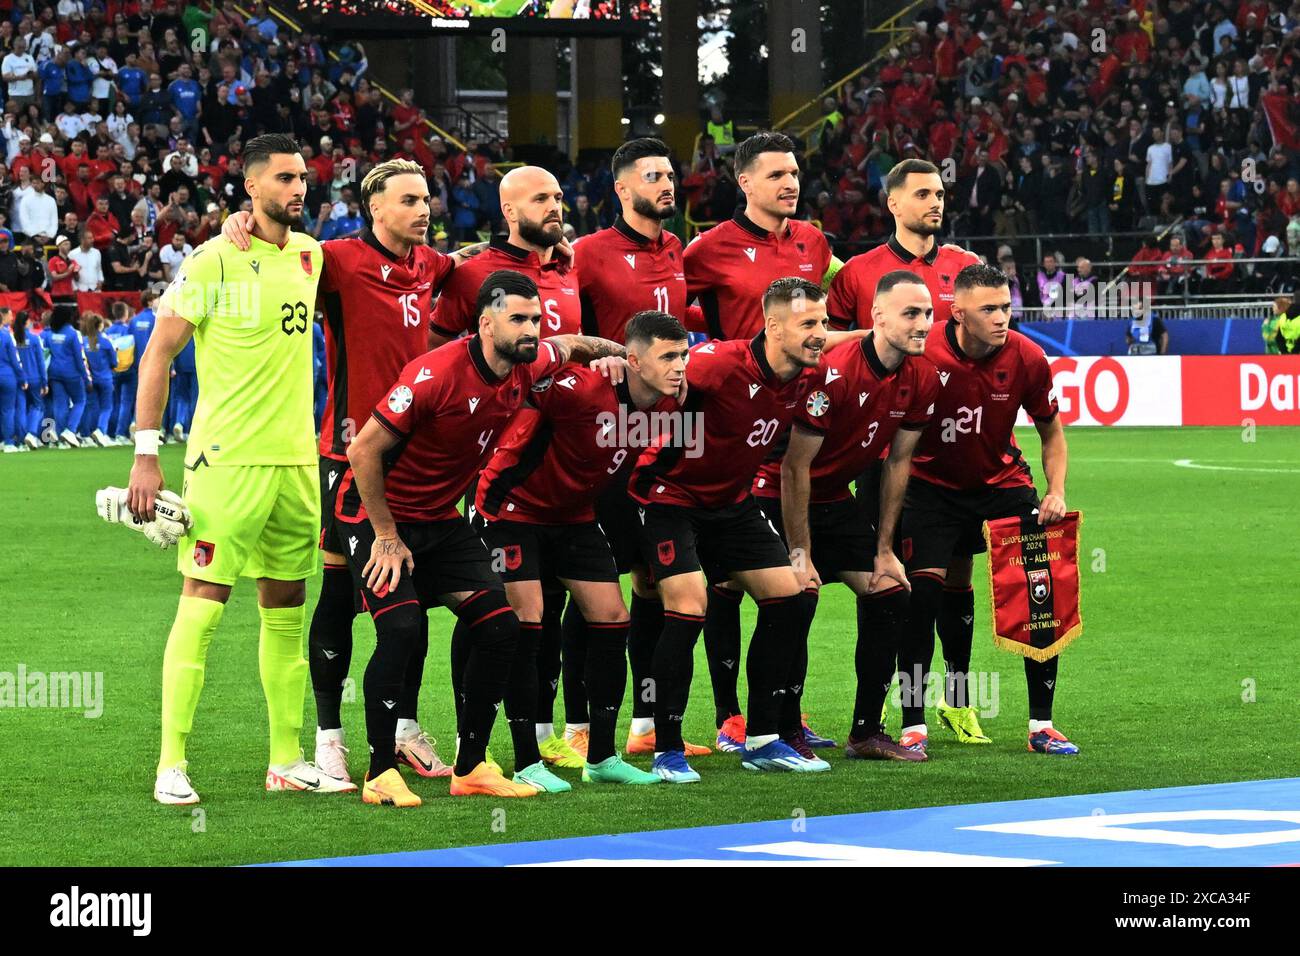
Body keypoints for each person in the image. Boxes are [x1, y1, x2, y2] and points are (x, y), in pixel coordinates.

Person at [221, 158, 484, 783]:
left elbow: (478, 267)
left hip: (416, 455)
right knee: (342, 594)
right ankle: (330, 735)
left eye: (428, 198)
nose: (425, 209)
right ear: (375, 208)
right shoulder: (333, 259)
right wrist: (242, 222)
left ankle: (404, 729)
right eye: (411, 200)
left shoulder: (434, 265)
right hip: (348, 456)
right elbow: (275, 254)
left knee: (409, 597)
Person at [336, 269, 624, 804]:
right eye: (519, 319)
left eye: (536, 318)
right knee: (401, 629)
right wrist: (386, 535)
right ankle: (379, 770)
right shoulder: (434, 374)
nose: (532, 329)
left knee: (499, 627)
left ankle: (469, 767)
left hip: (441, 518)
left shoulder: (530, 360)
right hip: (374, 516)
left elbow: (571, 344)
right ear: (485, 324)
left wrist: (618, 354)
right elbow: (363, 451)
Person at [125, 134, 354, 805]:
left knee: (285, 608)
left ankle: (286, 758)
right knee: (203, 606)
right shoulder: (212, 261)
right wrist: (146, 452)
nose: (299, 188)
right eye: (284, 178)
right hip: (225, 463)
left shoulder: (313, 257)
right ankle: (171, 764)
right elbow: (157, 357)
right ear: (251, 187)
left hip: (295, 464)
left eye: (304, 176)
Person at [627, 277, 836, 781]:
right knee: (688, 605)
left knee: (791, 596)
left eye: (825, 323)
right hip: (668, 499)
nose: (821, 334)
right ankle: (667, 747)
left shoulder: (811, 374)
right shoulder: (716, 365)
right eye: (809, 324)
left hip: (731, 504)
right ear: (773, 328)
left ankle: (762, 737)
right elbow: (642, 391)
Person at [473, 310, 692, 788]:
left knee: (612, 618)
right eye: (668, 356)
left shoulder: (669, 404)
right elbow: (521, 376)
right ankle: (527, 760)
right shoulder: (580, 388)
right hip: (511, 510)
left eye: (683, 354)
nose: (680, 366)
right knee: (528, 623)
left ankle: (601, 756)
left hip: (575, 517)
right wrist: (600, 354)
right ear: (633, 361)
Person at [758, 271, 939, 762]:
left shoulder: (922, 376)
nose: (923, 323)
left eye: (927, 313)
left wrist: (884, 550)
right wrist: (801, 554)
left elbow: (898, 462)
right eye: (911, 314)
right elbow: (794, 468)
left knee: (890, 592)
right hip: (775, 493)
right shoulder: (831, 372)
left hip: (835, 497)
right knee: (799, 596)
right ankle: (785, 728)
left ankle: (866, 732)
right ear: (877, 317)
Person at [898, 263, 1077, 757]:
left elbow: (1051, 431)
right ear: (957, 313)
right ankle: (914, 722)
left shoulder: (1028, 357)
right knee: (923, 600)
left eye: (1006, 307)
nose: (1002, 318)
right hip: (930, 489)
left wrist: (1054, 490)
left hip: (1002, 485)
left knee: (1039, 593)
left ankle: (1042, 723)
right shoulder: (922, 347)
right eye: (989, 309)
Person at [568, 138, 706, 757]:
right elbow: (558, 327)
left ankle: (646, 726)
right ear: (622, 189)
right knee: (593, 585)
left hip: (666, 441)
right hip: (603, 442)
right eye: (654, 176)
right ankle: (575, 729)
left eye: (671, 174)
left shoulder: (678, 250)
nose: (667, 184)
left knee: (655, 583)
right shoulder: (587, 254)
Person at [684, 132, 833, 341]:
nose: (791, 184)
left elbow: (840, 282)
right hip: (739, 373)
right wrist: (720, 321)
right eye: (776, 175)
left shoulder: (813, 238)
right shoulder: (708, 247)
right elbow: (668, 310)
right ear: (745, 183)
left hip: (809, 373)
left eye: (794, 173)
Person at [429, 165, 580, 345]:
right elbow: (433, 345)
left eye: (557, 198)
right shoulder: (471, 274)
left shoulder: (570, 266)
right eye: (540, 199)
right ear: (510, 211)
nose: (554, 207)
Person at [44, 303, 92, 447]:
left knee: (60, 404)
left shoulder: (50, 333)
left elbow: (45, 355)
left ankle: (60, 435)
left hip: (54, 373)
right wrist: (86, 378)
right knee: (80, 401)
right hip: (71, 373)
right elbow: (79, 358)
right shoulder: (72, 333)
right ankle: (70, 431)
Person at [79, 312, 118, 447]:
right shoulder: (106, 341)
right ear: (100, 325)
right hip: (105, 378)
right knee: (107, 407)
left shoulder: (84, 341)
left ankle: (89, 433)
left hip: (91, 379)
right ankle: (101, 431)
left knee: (92, 406)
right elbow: (114, 362)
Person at [12, 310, 46, 450]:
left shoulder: (13, 338)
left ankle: (21, 438)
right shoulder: (33, 338)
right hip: (34, 378)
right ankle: (31, 434)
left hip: (18, 378)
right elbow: (40, 361)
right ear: (27, 322)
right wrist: (45, 381)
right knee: (38, 407)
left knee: (21, 408)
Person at [105, 301, 136, 443]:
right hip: (128, 369)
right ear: (126, 313)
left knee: (114, 402)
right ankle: (120, 433)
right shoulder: (129, 329)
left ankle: (110, 433)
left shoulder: (107, 332)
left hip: (112, 370)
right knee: (126, 402)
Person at [0, 307, 26, 453]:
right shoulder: (6, 336)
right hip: (7, 376)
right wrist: (22, 378)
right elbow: (15, 360)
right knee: (7, 410)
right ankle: (9, 442)